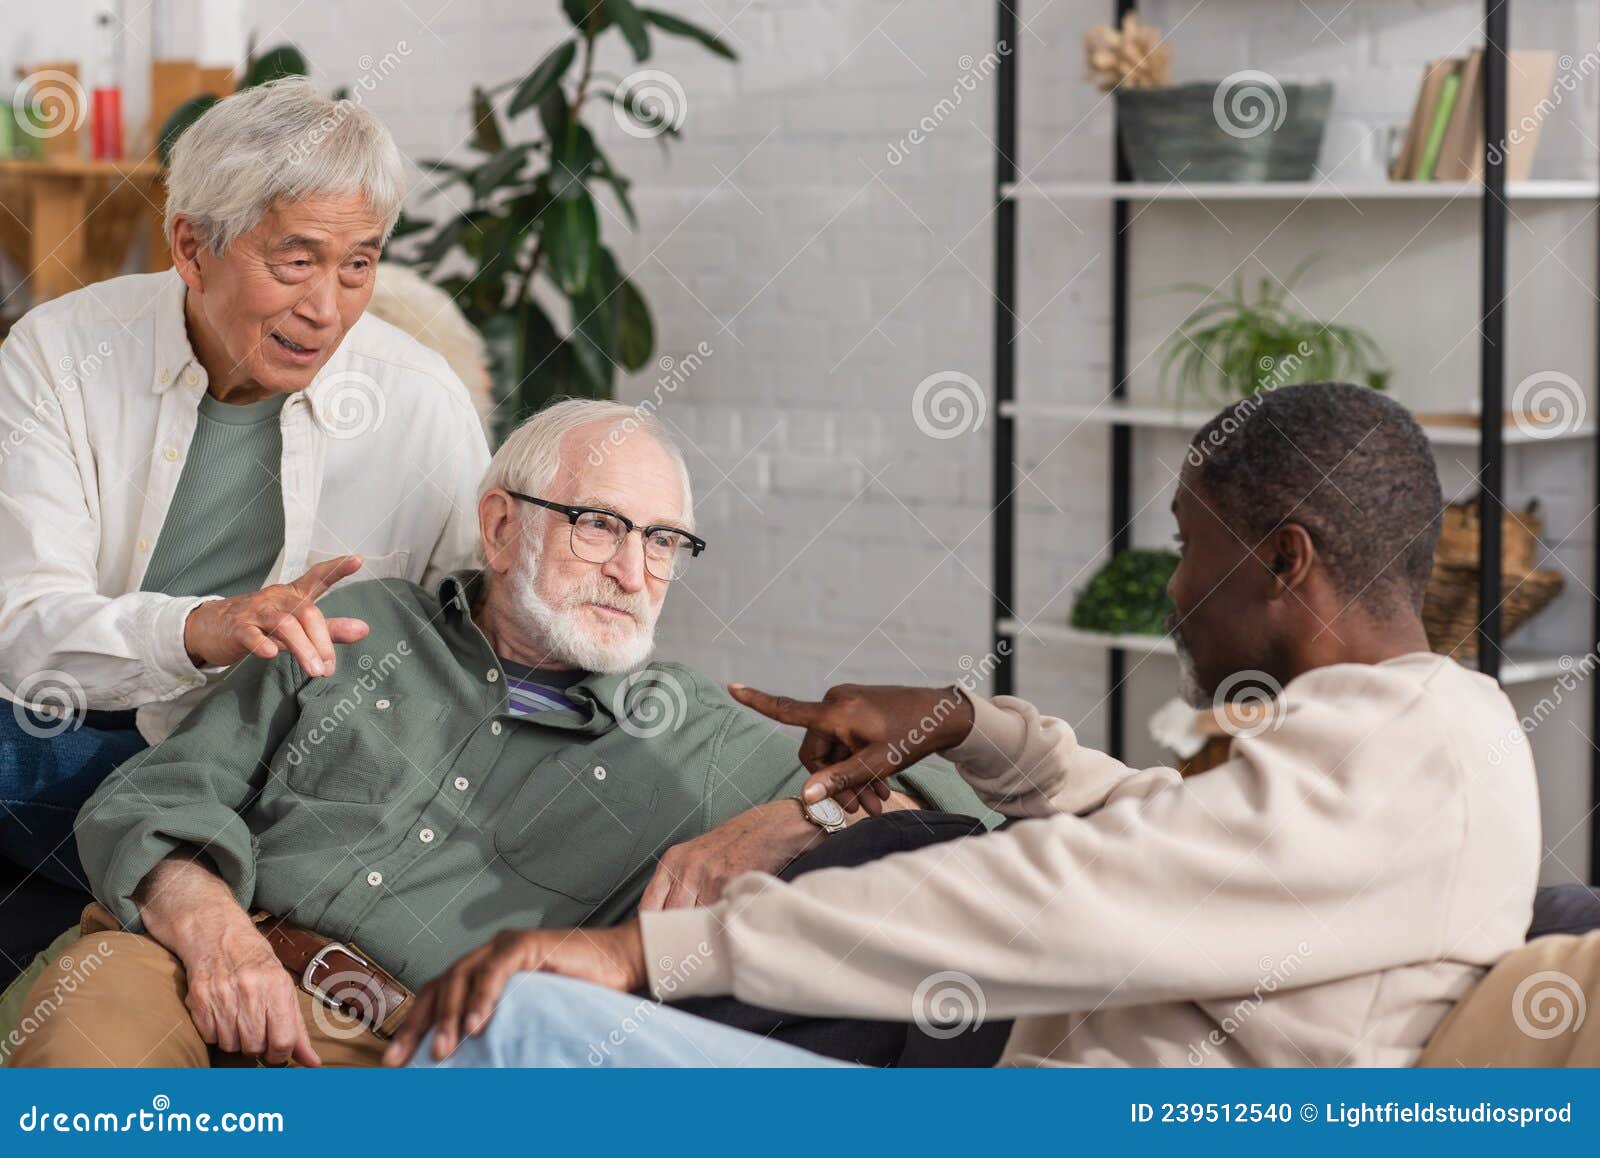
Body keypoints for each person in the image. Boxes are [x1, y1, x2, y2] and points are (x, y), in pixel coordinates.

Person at [383, 381, 1542, 1069]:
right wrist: (970, 727)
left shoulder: (1417, 754)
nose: (1174, 585)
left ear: (1283, 560)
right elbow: (1168, 837)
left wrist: (641, 951)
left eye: (1189, 545)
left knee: (510, 1031)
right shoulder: (1408, 738)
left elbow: (1067, 893)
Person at [8, 399, 984, 1068]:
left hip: (413, 1057)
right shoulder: (365, 625)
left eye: (663, 542)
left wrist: (799, 819)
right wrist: (220, 939)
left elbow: (953, 831)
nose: (633, 572)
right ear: (503, 526)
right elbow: (158, 794)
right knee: (90, 1061)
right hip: (187, 963)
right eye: (599, 525)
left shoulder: (699, 734)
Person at [0, 77, 488, 890]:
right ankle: (183, 875)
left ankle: (178, 875)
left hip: (297, 775)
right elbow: (22, 625)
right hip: (90, 730)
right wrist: (203, 629)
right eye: (296, 262)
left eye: (358, 265)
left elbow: (477, 642)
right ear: (191, 248)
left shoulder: (423, 400)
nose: (326, 309)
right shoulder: (59, 354)